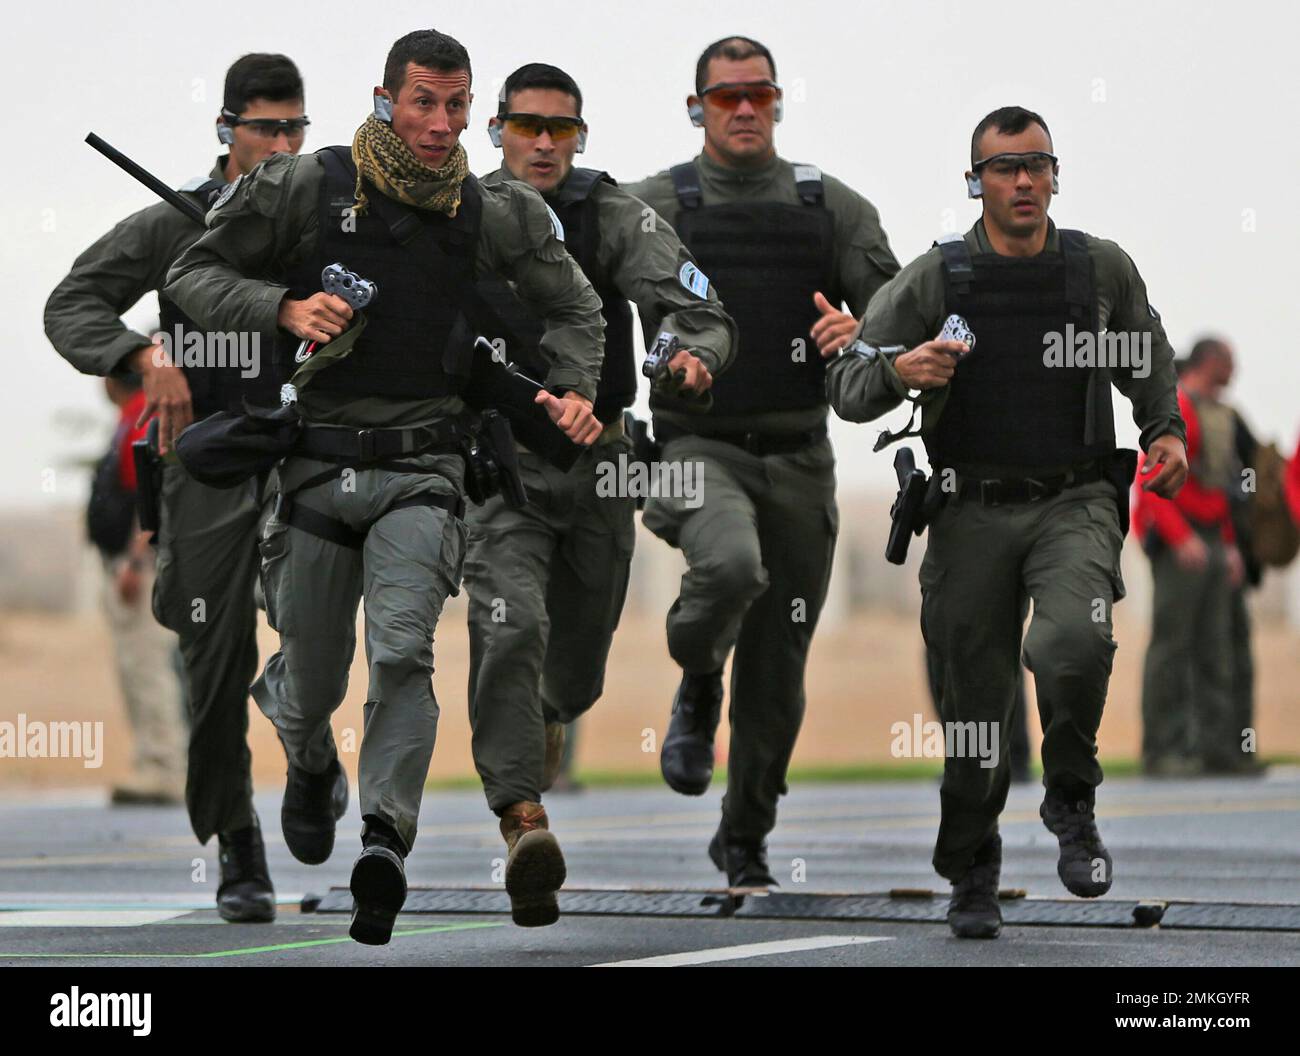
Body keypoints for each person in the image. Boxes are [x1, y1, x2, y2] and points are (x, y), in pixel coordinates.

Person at [165, 29, 605, 945]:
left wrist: (569, 392)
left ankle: (385, 842)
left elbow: (575, 307)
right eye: (423, 104)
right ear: (384, 100)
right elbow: (191, 273)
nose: (442, 126)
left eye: (456, 105)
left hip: (426, 470)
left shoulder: (498, 211)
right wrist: (279, 307)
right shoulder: (302, 186)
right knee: (314, 677)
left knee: (404, 652)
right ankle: (308, 751)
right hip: (317, 464)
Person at [827, 106, 1188, 938]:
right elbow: (849, 385)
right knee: (976, 714)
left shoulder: (1098, 270)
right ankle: (974, 867)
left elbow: (1146, 353)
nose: (1022, 181)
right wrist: (900, 368)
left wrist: (1164, 428)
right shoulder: (939, 278)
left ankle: (1071, 798)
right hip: (970, 511)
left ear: (1055, 175)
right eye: (1003, 168)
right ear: (975, 182)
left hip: (1076, 500)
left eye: (1037, 165)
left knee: (1072, 643)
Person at [624, 35, 899, 889]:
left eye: (759, 95)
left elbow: (897, 322)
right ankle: (699, 677)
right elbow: (559, 284)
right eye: (725, 97)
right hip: (694, 446)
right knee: (730, 564)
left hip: (800, 455)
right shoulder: (650, 207)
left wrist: (865, 338)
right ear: (696, 107)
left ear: (778, 102)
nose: (744, 110)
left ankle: (744, 840)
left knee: (779, 675)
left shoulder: (830, 209)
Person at [464, 61, 735, 922]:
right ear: (496, 128)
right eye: (527, 125)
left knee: (573, 672)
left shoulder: (607, 211)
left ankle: (546, 721)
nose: (544, 142)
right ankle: (522, 818)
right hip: (497, 461)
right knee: (514, 624)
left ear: (580, 137)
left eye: (563, 128)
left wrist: (694, 355)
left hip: (604, 461)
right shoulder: (451, 214)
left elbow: (692, 300)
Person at [45, 53, 310, 923]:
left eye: (293, 127)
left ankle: (314, 762)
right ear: (226, 128)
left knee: (316, 632)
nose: (278, 144)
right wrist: (140, 356)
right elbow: (73, 303)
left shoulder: (321, 223)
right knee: (212, 656)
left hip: (307, 461)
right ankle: (238, 846)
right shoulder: (172, 226)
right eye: (263, 126)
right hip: (202, 471)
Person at [1135, 339, 1257, 775]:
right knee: (1171, 648)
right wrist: (1180, 537)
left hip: (1209, 535)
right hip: (1178, 538)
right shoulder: (1179, 407)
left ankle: (1219, 751)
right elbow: (1148, 479)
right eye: (1230, 361)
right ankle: (1162, 752)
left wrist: (1227, 545)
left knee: (1216, 649)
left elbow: (1218, 489)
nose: (1235, 370)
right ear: (1212, 361)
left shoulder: (1219, 413)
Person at [88, 376, 188, 805]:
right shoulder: (130, 417)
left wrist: (135, 560)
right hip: (129, 565)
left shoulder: (141, 416)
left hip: (138, 568)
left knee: (149, 668)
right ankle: (152, 762)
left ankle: (165, 768)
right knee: (137, 669)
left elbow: (153, 494)